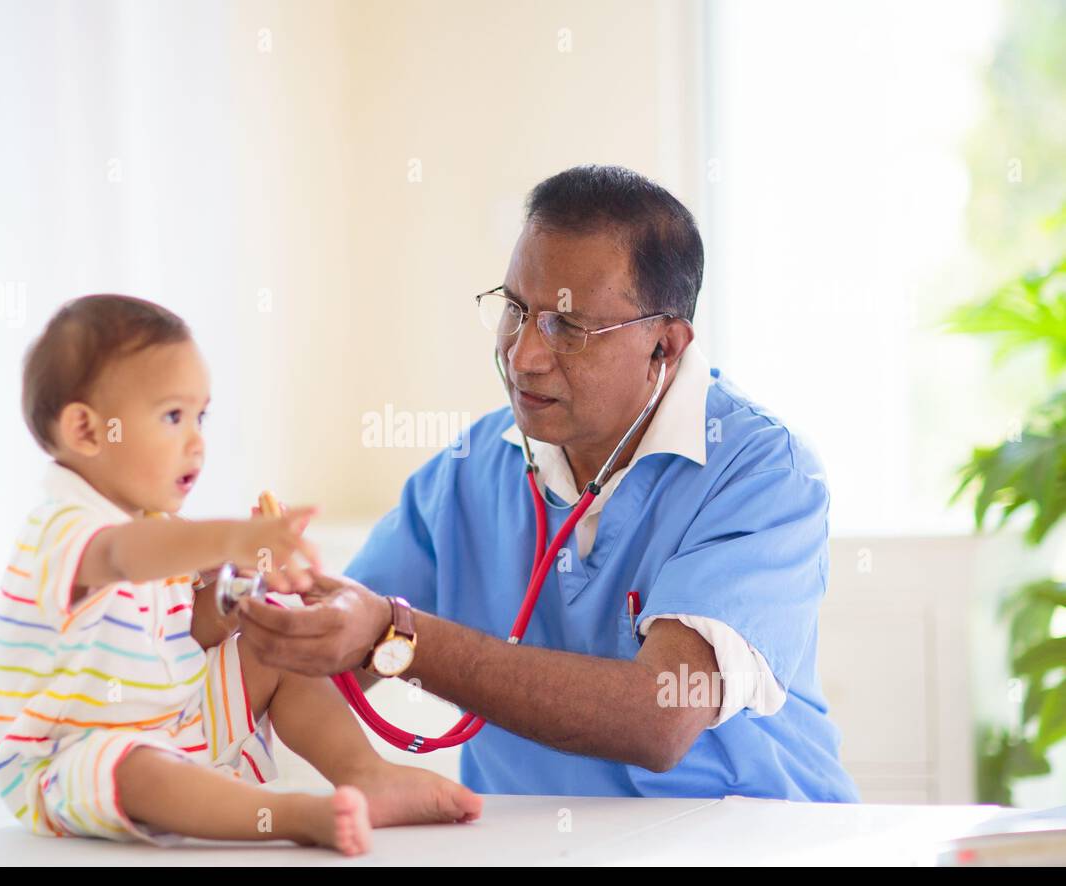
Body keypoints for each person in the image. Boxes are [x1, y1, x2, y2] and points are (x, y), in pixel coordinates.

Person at [235, 165, 861, 803]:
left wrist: (397, 636)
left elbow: (658, 719)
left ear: (664, 347)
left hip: (752, 845)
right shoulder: (470, 468)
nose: (522, 354)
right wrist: (212, 597)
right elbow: (325, 653)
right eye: (515, 309)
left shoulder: (762, 472)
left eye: (566, 326)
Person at [0, 293, 482, 855]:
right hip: (69, 762)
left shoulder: (156, 526)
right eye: (173, 417)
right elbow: (125, 555)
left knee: (271, 646)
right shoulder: (65, 529)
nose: (197, 442)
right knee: (134, 767)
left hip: (174, 729)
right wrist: (229, 537)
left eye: (201, 417)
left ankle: (366, 773)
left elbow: (186, 638)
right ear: (87, 431)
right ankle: (289, 814)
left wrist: (237, 591)